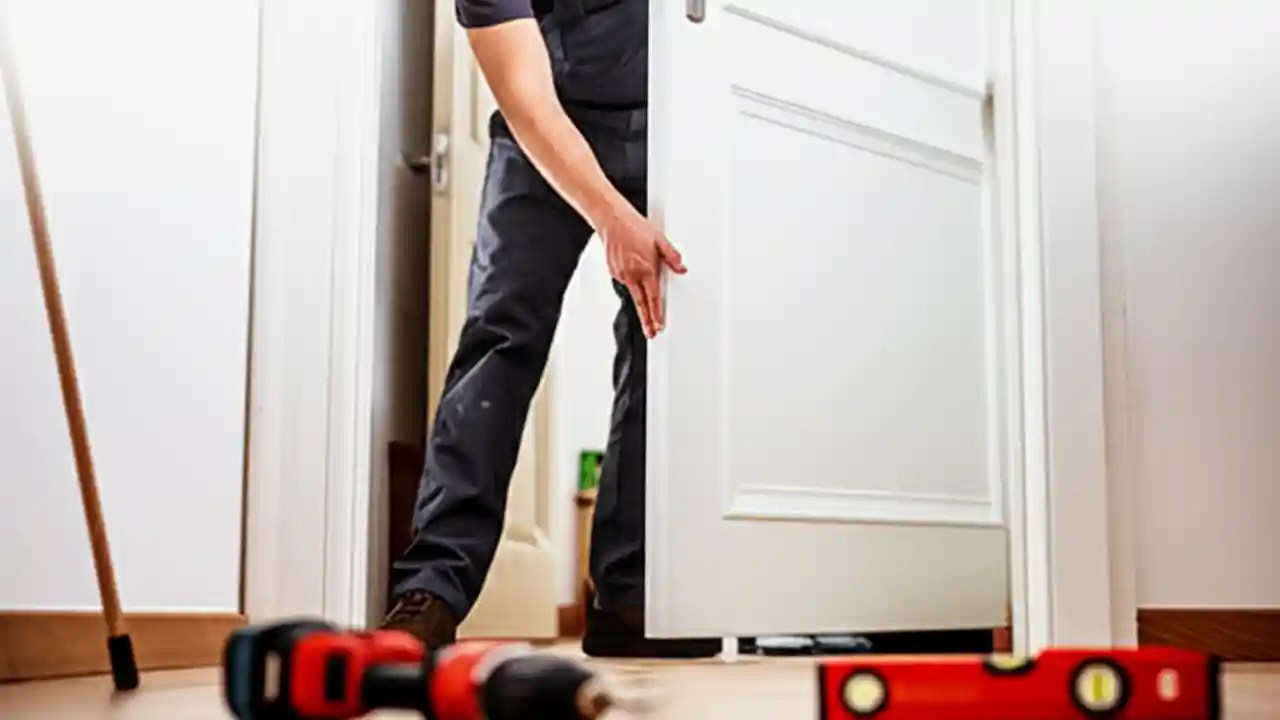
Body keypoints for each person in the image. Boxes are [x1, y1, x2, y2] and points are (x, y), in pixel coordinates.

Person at [379, 0, 721, 659]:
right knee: (501, 340)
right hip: (548, 129)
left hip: (677, 122)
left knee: (665, 344)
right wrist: (612, 217)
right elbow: (528, 98)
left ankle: (630, 594)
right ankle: (433, 588)